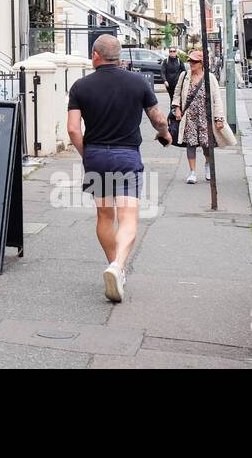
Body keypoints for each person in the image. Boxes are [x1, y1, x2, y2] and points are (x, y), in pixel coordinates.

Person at [67, 34, 172, 303]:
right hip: (126, 157)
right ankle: (117, 267)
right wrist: (165, 134)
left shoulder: (80, 86)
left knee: (104, 216)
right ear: (119, 56)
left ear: (95, 55)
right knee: (128, 218)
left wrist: (86, 154)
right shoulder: (138, 82)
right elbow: (158, 118)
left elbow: (72, 128)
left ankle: (115, 266)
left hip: (96, 157)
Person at [170, 49, 225, 184]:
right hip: (189, 116)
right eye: (190, 61)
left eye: (194, 61)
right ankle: (192, 172)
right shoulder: (184, 76)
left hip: (205, 116)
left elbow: (217, 99)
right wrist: (177, 109)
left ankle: (207, 165)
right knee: (191, 143)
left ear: (201, 63)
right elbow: (176, 94)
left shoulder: (210, 78)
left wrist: (219, 118)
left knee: (206, 144)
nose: (191, 64)